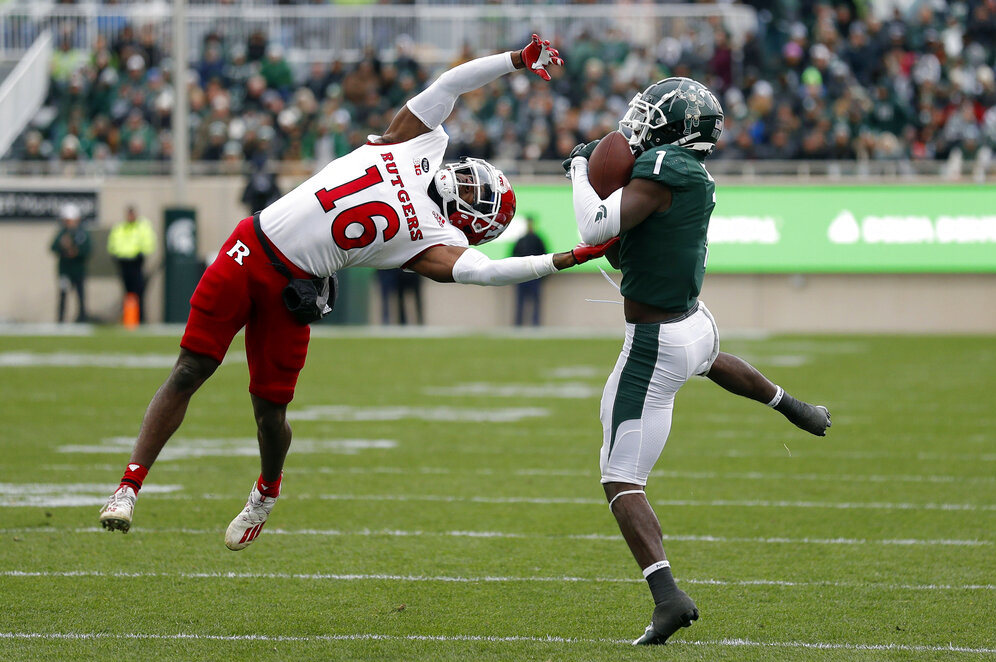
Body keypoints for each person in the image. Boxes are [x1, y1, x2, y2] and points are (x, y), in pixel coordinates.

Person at [99, 34, 617, 551]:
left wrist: (564, 258)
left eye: (480, 194)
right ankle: (128, 486)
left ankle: (266, 491)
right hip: (250, 246)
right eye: (477, 178)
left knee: (268, 411)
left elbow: (488, 273)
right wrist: (515, 61)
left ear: (472, 222)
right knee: (190, 369)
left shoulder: (433, 242)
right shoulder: (416, 144)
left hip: (293, 292)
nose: (468, 181)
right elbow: (450, 83)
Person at [566, 77, 831, 646]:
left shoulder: (665, 165)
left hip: (654, 341)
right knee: (711, 360)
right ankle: (793, 406)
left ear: (674, 127)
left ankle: (668, 598)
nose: (638, 123)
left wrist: (576, 172)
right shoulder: (685, 173)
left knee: (620, 480)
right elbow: (622, 243)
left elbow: (594, 228)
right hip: (694, 323)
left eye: (649, 115)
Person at [107, 205, 157, 323]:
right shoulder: (120, 227)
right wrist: (116, 256)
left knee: (139, 291)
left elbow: (149, 243)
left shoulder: (142, 227)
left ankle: (140, 318)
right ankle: (129, 318)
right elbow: (113, 244)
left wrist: (141, 254)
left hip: (137, 263)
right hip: (123, 263)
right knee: (127, 293)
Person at [50, 203, 91, 323]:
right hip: (65, 270)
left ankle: (82, 318)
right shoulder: (62, 233)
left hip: (78, 270)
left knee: (80, 296)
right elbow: (53, 247)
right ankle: (61, 319)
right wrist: (62, 246)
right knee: (63, 295)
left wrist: (76, 251)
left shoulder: (82, 234)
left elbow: (88, 249)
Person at [511, 214, 548, 326]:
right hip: (522, 276)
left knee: (535, 301)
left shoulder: (538, 240)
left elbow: (546, 256)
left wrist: (544, 276)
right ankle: (518, 324)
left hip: (535, 276)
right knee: (520, 301)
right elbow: (513, 256)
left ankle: (535, 324)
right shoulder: (521, 240)